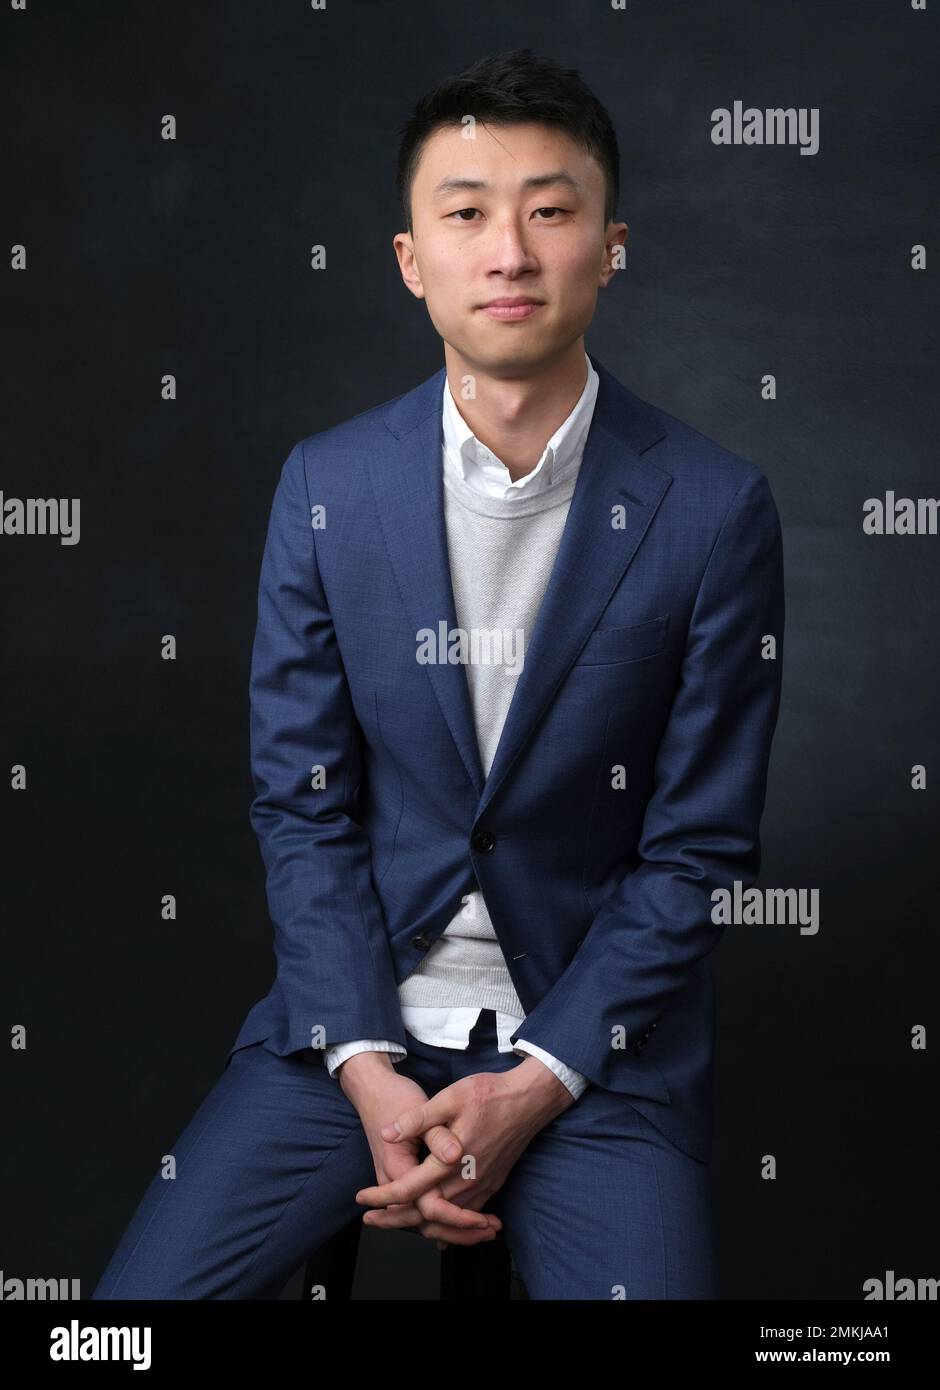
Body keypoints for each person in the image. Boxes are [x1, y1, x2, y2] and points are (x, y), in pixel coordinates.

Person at [92, 47, 784, 1301]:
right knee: (118, 1332)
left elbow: (695, 854)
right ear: (413, 260)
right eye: (465, 213)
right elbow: (300, 808)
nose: (509, 251)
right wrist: (365, 1063)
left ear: (609, 244)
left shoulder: (715, 508)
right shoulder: (326, 487)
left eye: (550, 209)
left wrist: (532, 1084)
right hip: (345, 1025)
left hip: (593, 1049)